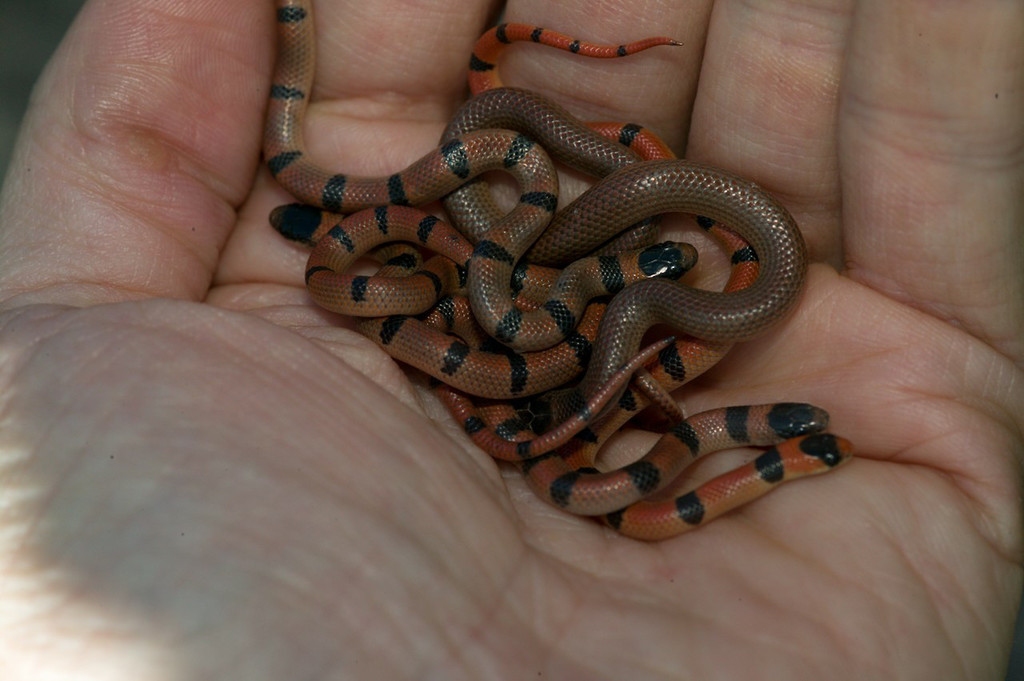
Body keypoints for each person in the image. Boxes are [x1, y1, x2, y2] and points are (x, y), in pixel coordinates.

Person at [0, 0, 1020, 678]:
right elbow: (538, 292)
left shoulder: (542, 276)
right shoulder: (507, 267)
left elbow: (568, 296)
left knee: (606, 281)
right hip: (526, 326)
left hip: (534, 327)